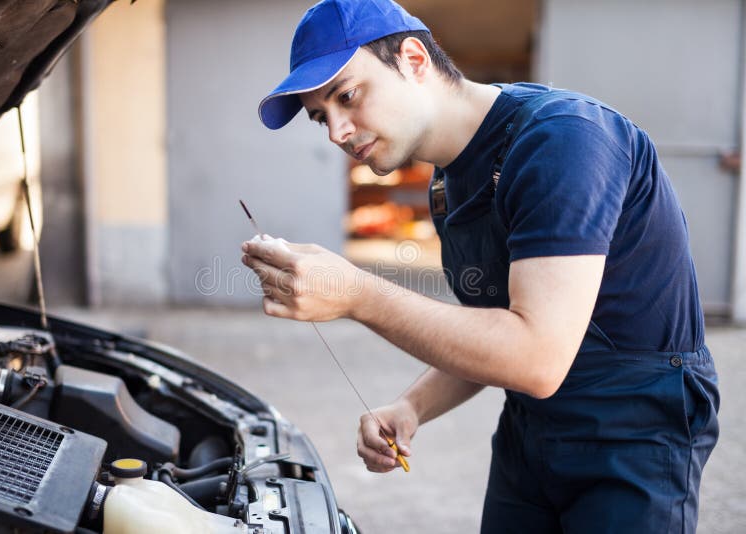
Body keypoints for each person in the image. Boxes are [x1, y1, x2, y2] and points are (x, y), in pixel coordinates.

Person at [241, 0, 720, 531]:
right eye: (320, 117)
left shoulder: (563, 141)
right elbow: (497, 328)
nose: (336, 132)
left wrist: (356, 293)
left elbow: (535, 357)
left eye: (347, 96)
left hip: (636, 436)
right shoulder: (448, 184)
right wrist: (413, 405)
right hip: (531, 431)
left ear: (414, 60)